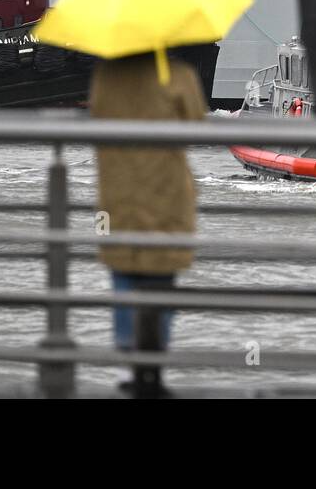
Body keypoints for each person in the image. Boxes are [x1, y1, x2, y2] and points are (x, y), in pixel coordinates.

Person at [89, 50, 206, 397]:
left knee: (123, 272)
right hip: (165, 193)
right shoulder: (178, 74)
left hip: (117, 193)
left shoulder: (106, 75)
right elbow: (196, 123)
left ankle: (130, 353)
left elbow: (96, 116)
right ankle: (152, 365)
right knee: (161, 276)